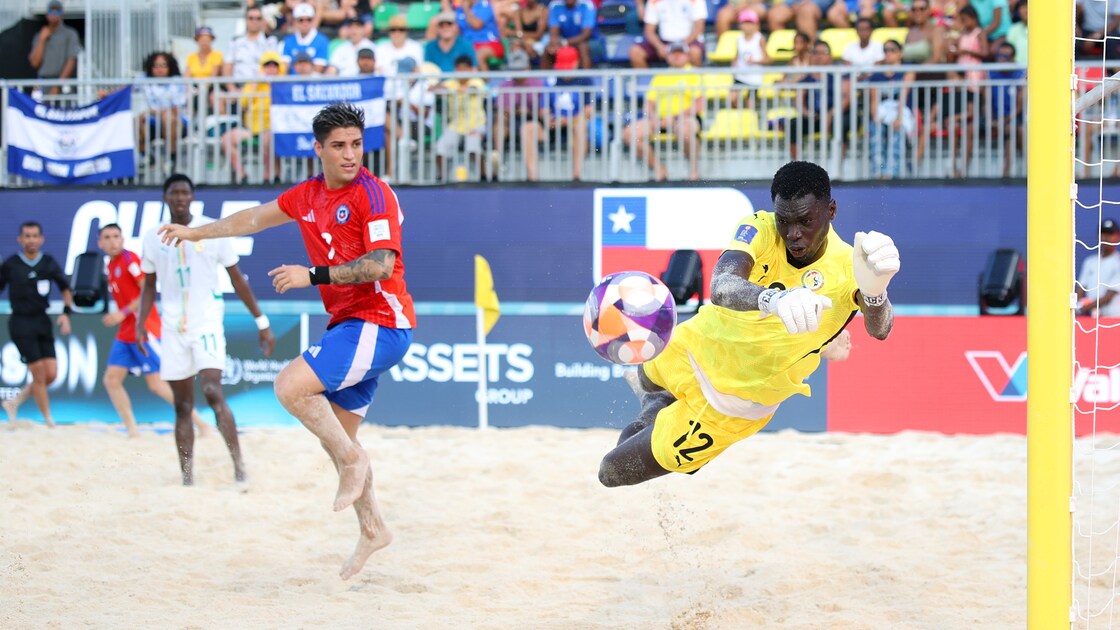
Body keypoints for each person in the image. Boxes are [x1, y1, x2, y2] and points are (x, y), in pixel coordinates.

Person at [156, 102, 416, 581]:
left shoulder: (373, 194)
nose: (350, 154)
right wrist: (195, 233)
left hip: (381, 320)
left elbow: (380, 265)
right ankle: (373, 526)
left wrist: (309, 275)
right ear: (318, 149)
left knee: (290, 388)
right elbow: (252, 219)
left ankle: (355, 464)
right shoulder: (308, 194)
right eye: (338, 146)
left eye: (356, 144)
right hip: (349, 324)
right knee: (337, 438)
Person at [598, 161, 900, 487]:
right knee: (647, 380)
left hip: (730, 401)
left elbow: (880, 329)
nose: (793, 233)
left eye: (805, 221)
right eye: (784, 220)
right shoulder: (761, 227)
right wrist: (775, 300)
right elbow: (722, 285)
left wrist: (874, 292)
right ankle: (655, 407)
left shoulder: (850, 265)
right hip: (697, 342)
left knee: (612, 471)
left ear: (831, 210)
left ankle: (668, 427)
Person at [136, 174, 275, 486]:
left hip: (207, 323)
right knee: (182, 405)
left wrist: (261, 321)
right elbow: (148, 285)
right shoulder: (152, 237)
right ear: (165, 198)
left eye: (185, 192)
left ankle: (239, 469)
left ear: (193, 197)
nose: (180, 197)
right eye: (174, 192)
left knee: (213, 391)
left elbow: (237, 278)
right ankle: (187, 478)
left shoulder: (213, 231)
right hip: (173, 327)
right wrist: (141, 324)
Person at [97, 223, 210, 438]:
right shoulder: (110, 265)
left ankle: (201, 424)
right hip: (126, 332)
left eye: (116, 236)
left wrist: (122, 313)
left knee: (157, 385)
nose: (112, 241)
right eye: (107, 237)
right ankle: (132, 430)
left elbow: (146, 291)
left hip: (145, 329)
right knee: (111, 380)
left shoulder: (130, 260)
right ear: (100, 243)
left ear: (122, 239)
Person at [0, 222, 72, 429]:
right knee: (38, 374)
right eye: (27, 236)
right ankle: (49, 421)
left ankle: (14, 402)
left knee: (51, 374)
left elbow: (66, 289)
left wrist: (66, 314)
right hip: (21, 322)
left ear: (41, 239)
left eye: (34, 236)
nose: (31, 240)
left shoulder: (48, 262)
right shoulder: (12, 264)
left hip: (43, 321)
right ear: (20, 240)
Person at [623, 42, 704, 181]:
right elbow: (649, 103)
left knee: (685, 130)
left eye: (680, 53)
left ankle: (693, 170)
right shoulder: (660, 76)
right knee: (630, 133)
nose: (676, 56)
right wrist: (654, 119)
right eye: (674, 53)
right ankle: (659, 168)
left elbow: (698, 105)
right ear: (668, 56)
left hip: (686, 118)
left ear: (687, 56)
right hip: (660, 120)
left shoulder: (694, 74)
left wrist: (675, 118)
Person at [520, 46, 592, 181]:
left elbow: (588, 111)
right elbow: (543, 109)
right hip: (553, 127)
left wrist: (567, 121)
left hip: (574, 125)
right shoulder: (550, 80)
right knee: (528, 128)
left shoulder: (585, 80)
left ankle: (577, 175)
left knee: (580, 126)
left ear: (576, 63)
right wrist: (549, 120)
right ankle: (532, 177)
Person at [221, 51, 282, 183]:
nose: (270, 69)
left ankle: (268, 177)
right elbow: (242, 103)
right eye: (267, 66)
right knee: (227, 139)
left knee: (267, 140)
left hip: (271, 128)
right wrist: (255, 84)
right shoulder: (253, 83)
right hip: (251, 128)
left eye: (274, 66)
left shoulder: (284, 83)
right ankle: (242, 175)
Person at [434, 55, 488, 181]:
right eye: (459, 69)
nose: (462, 72)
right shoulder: (451, 82)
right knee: (440, 147)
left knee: (473, 147)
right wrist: (439, 87)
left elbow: (474, 89)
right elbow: (435, 89)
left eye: (465, 68)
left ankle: (483, 176)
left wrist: (457, 89)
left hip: (476, 124)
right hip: (455, 124)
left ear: (471, 69)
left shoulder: (476, 81)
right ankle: (442, 177)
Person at [867, 40, 916, 179]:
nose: (888, 53)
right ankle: (878, 171)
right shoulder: (877, 74)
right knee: (875, 131)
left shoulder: (907, 71)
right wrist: (876, 119)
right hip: (883, 114)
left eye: (892, 50)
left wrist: (899, 117)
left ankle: (892, 173)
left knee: (897, 132)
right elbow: (874, 100)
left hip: (901, 112)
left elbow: (903, 96)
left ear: (900, 53)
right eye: (886, 50)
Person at [137, 52, 188, 163]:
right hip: (153, 123)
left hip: (176, 123)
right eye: (156, 65)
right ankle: (146, 157)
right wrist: (107, 93)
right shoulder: (144, 79)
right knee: (135, 121)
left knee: (168, 117)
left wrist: (153, 112)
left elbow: (176, 110)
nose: (159, 69)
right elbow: (125, 89)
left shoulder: (177, 81)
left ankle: (171, 158)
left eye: (163, 65)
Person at [631, 0, 707, 68]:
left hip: (689, 41)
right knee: (635, 52)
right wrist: (659, 47)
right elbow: (649, 30)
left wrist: (681, 47)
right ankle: (646, 83)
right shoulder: (654, 1)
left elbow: (699, 28)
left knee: (695, 52)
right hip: (664, 42)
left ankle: (696, 81)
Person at [28, 0, 80, 96]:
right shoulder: (39, 36)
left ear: (62, 14)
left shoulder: (70, 34)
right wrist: (42, 40)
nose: (54, 14)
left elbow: (71, 61)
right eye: (52, 11)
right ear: (47, 14)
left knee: (65, 110)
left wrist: (58, 85)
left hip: (63, 83)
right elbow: (35, 63)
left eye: (58, 11)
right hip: (43, 82)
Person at [223, 5, 280, 89]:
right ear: (245, 20)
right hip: (239, 87)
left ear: (262, 20)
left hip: (263, 88)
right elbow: (227, 68)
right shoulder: (235, 42)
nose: (254, 21)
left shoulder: (270, 41)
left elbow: (274, 68)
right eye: (251, 18)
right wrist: (232, 90)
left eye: (258, 18)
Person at [1077, 219, 1120, 317]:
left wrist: (1082, 309)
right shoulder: (1090, 261)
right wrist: (1076, 305)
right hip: (1093, 317)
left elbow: (1109, 295)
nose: (1106, 237)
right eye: (1103, 233)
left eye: (1110, 234)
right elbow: (1081, 288)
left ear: (1117, 236)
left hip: (1114, 318)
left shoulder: (1118, 262)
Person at [542, 0, 597, 70]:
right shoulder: (555, 5)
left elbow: (586, 34)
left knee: (583, 47)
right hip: (563, 41)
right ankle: (545, 79)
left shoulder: (587, 5)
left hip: (590, 41)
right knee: (549, 48)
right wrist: (555, 43)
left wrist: (565, 42)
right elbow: (553, 33)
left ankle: (586, 79)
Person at [281, 2, 331, 74]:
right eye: (301, 20)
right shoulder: (288, 41)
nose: (305, 23)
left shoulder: (322, 41)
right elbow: (284, 67)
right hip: (292, 82)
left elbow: (319, 68)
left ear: (313, 20)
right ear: (295, 21)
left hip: (313, 82)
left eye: (308, 19)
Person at [456, 0, 506, 69]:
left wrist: (466, 9)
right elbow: (457, 30)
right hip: (469, 44)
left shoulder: (484, 6)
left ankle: (484, 79)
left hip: (490, 43)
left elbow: (476, 25)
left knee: (478, 55)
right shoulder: (459, 10)